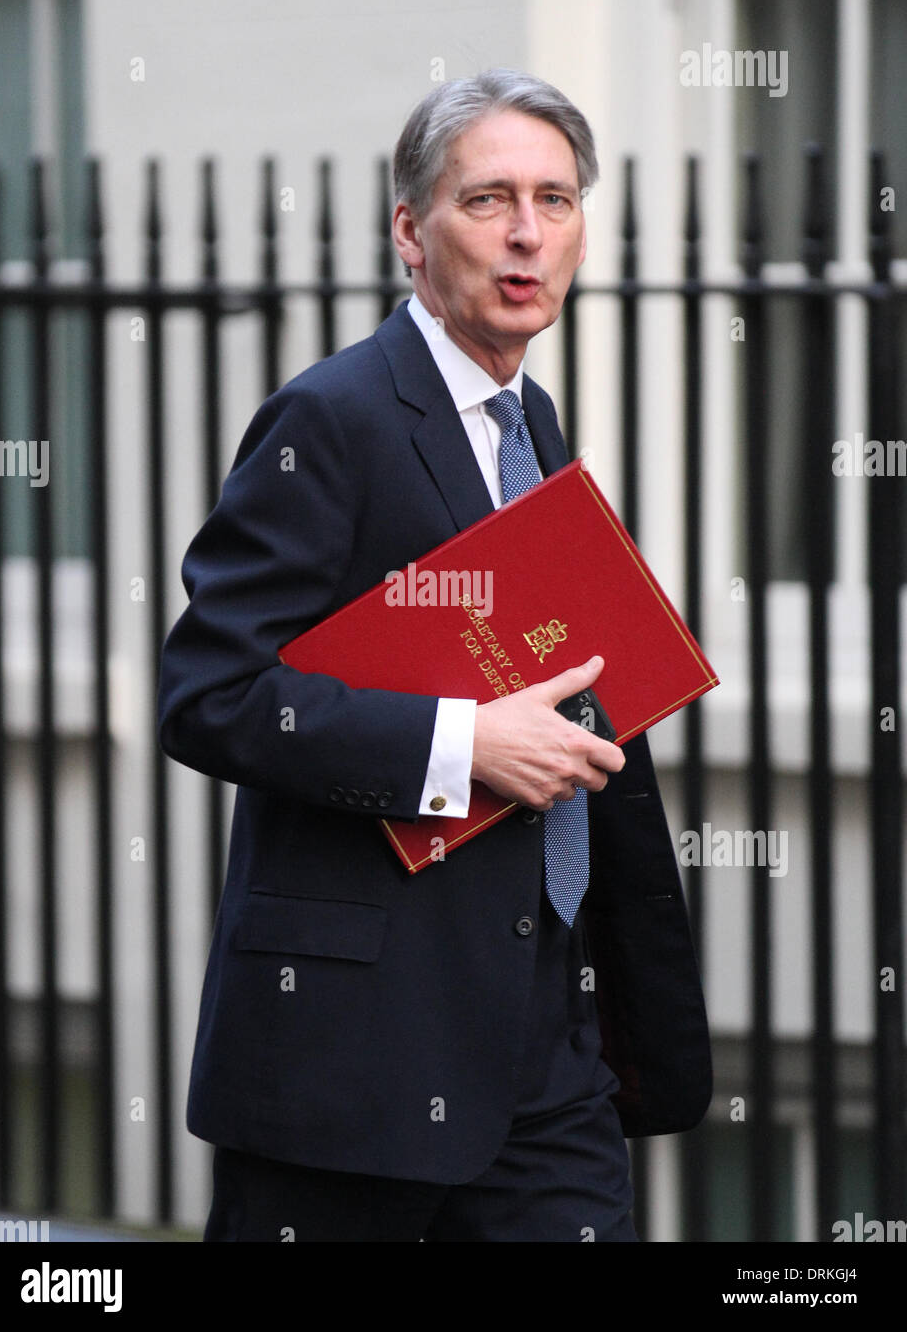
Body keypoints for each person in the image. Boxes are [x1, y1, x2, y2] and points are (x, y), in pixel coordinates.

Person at [157, 69, 711, 1243]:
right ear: (411, 230)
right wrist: (465, 745)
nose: (528, 233)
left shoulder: (535, 419)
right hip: (358, 1063)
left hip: (547, 1056)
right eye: (490, 199)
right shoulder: (334, 419)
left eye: (556, 200)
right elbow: (211, 694)